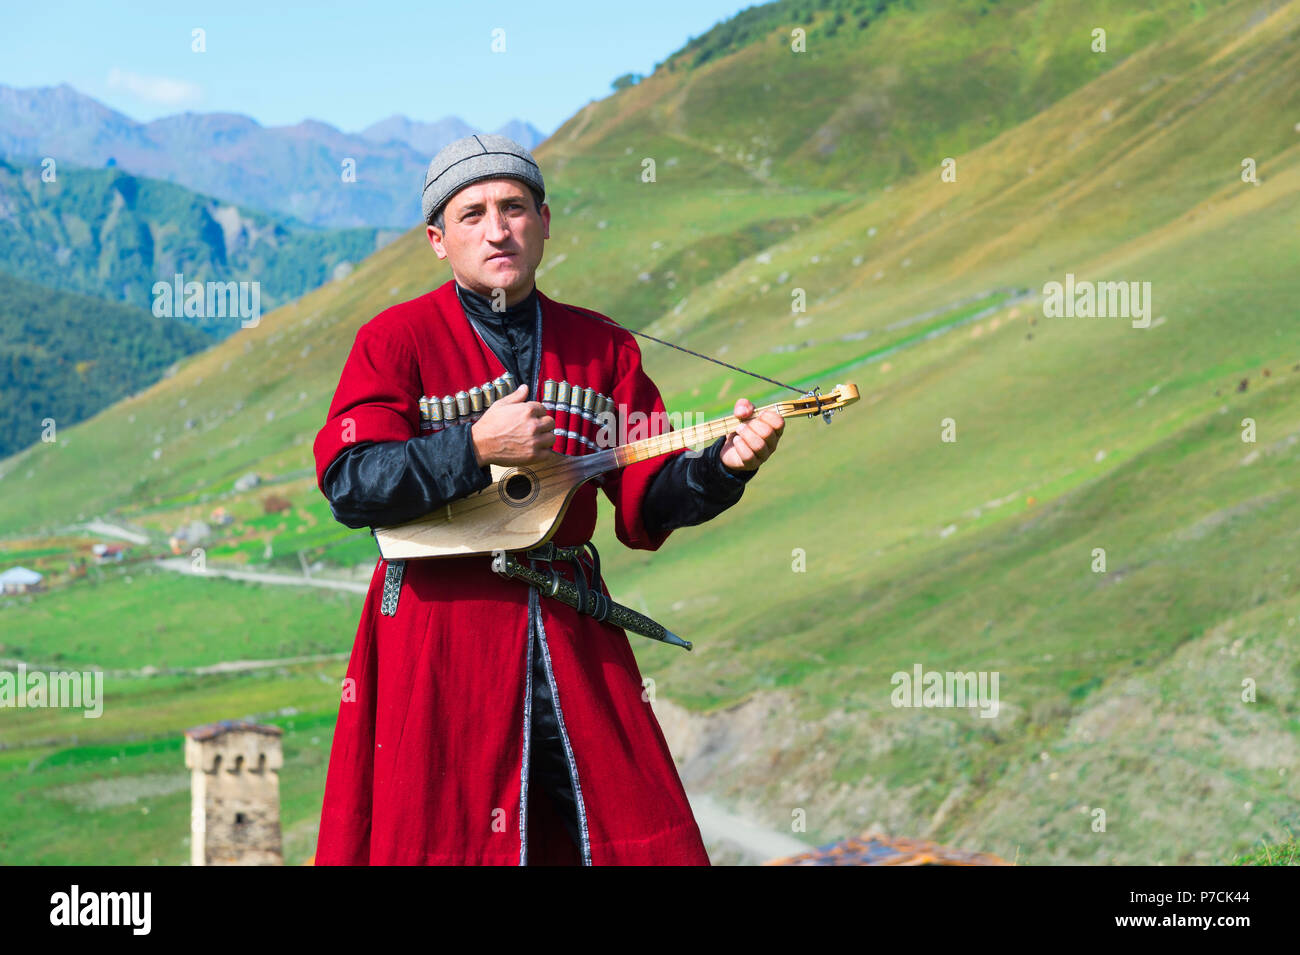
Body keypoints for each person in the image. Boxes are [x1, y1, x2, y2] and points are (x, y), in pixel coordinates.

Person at [311, 134, 785, 865]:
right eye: (472, 214)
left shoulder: (602, 348)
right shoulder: (394, 340)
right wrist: (471, 448)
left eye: (514, 207)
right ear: (438, 240)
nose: (497, 229)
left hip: (572, 627)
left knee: (622, 827)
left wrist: (723, 467)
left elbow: (644, 502)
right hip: (441, 636)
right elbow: (350, 480)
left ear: (545, 221)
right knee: (445, 833)